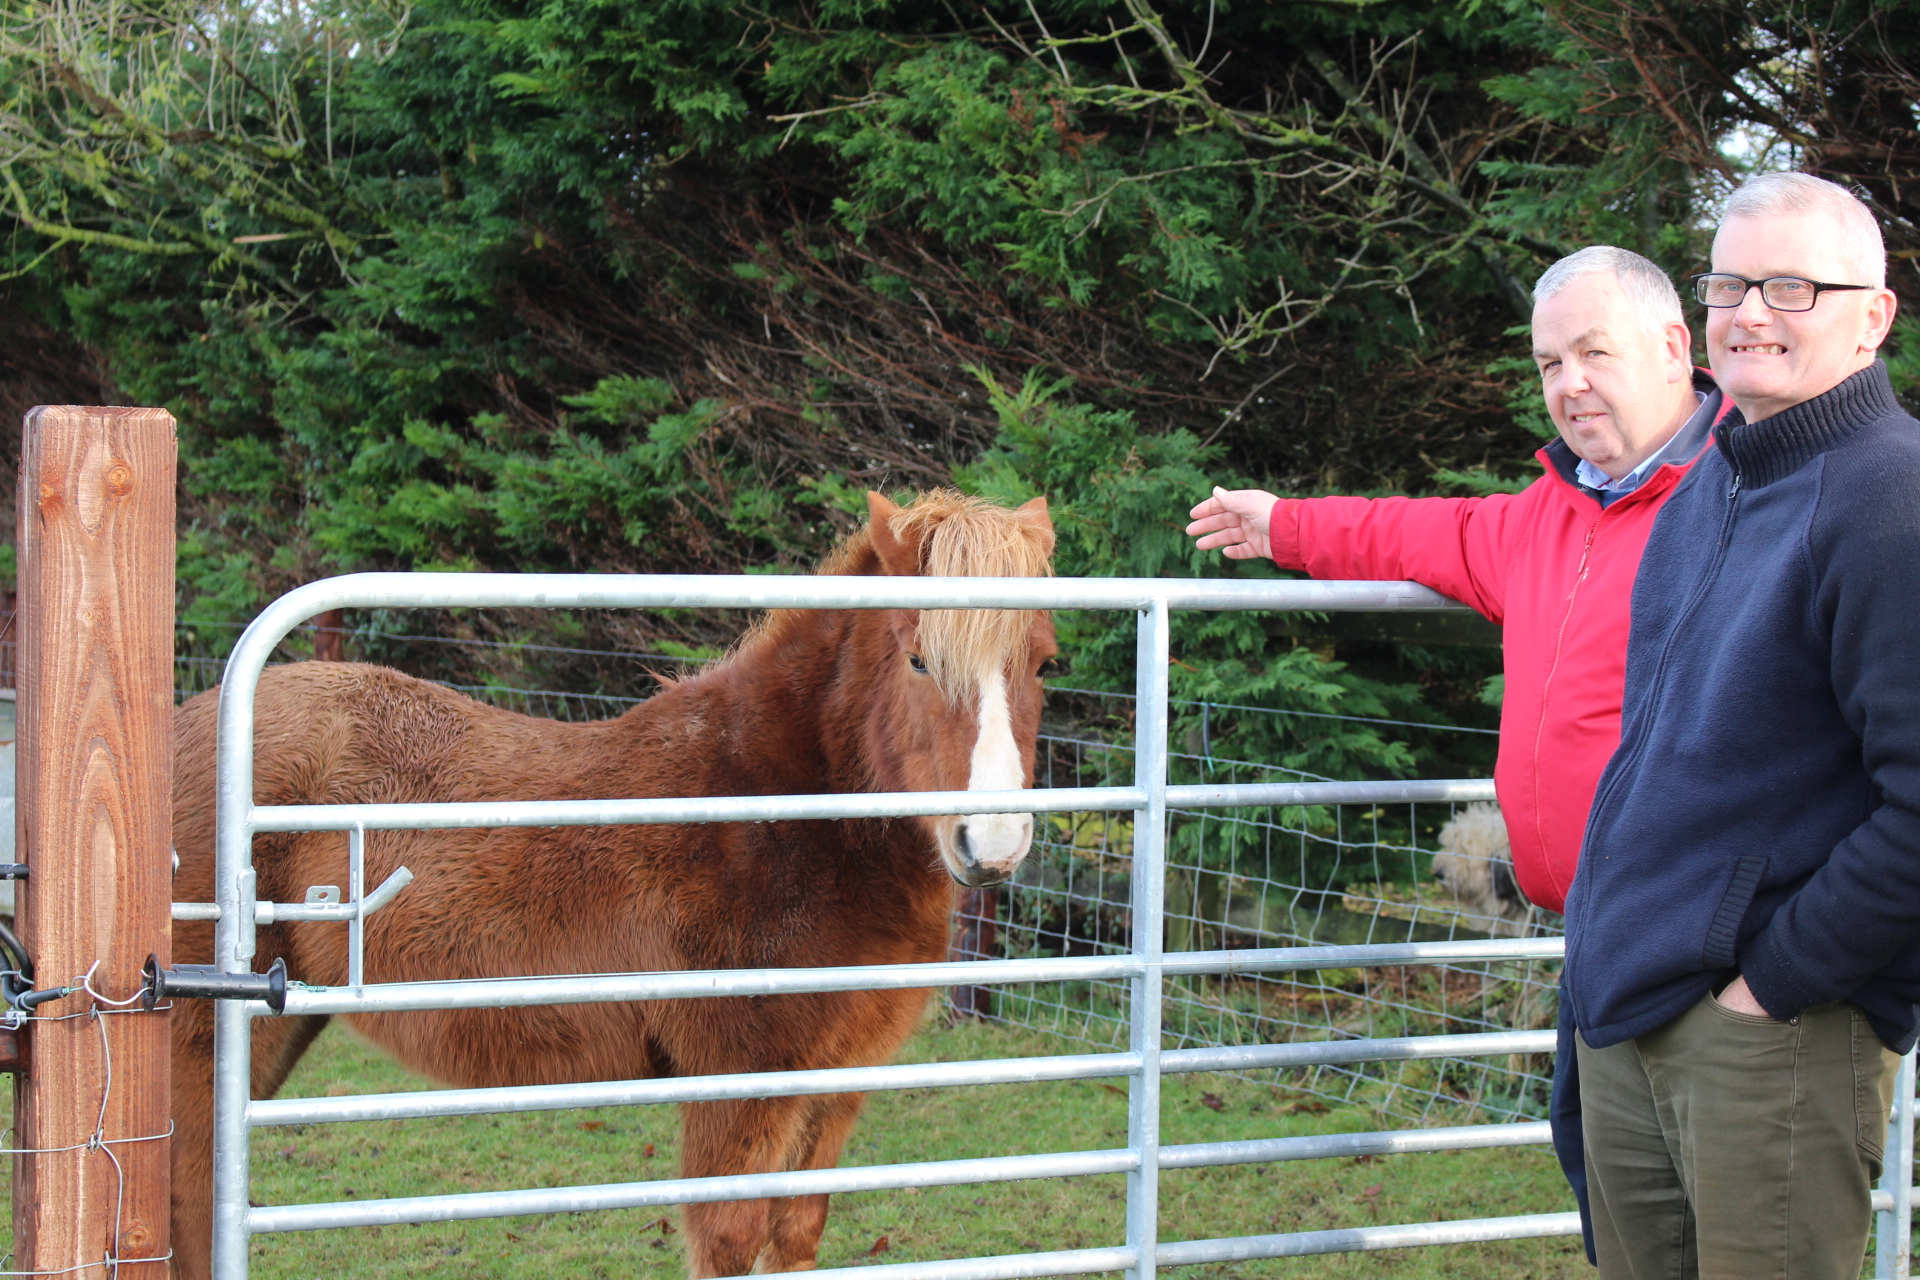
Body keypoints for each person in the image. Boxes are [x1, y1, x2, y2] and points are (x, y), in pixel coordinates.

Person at [1565, 173, 1908, 1278]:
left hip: (1772, 1038)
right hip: (1636, 1008)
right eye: (1730, 282)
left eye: (1795, 286)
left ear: (1874, 316)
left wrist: (1769, 986)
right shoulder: (1713, 483)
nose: (1751, 311)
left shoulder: (1890, 500)